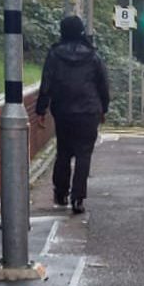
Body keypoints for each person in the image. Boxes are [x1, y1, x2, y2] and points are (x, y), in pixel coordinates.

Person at [35, 15, 110, 214]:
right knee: (84, 155)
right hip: (88, 111)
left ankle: (61, 193)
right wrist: (104, 108)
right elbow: (103, 84)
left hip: (63, 111)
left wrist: (41, 110)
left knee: (63, 153)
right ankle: (78, 198)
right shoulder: (93, 55)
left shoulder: (54, 54)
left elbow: (47, 82)